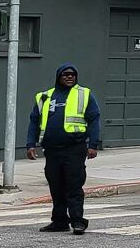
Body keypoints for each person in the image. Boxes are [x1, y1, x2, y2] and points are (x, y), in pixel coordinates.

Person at [27, 62, 101, 235]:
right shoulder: (45, 96)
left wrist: (93, 145)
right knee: (56, 185)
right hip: (52, 150)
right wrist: (30, 144)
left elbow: (94, 119)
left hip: (74, 148)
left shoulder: (84, 94)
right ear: (58, 77)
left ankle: (77, 221)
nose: (70, 77)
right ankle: (59, 221)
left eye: (72, 74)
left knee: (73, 185)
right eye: (66, 74)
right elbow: (33, 121)